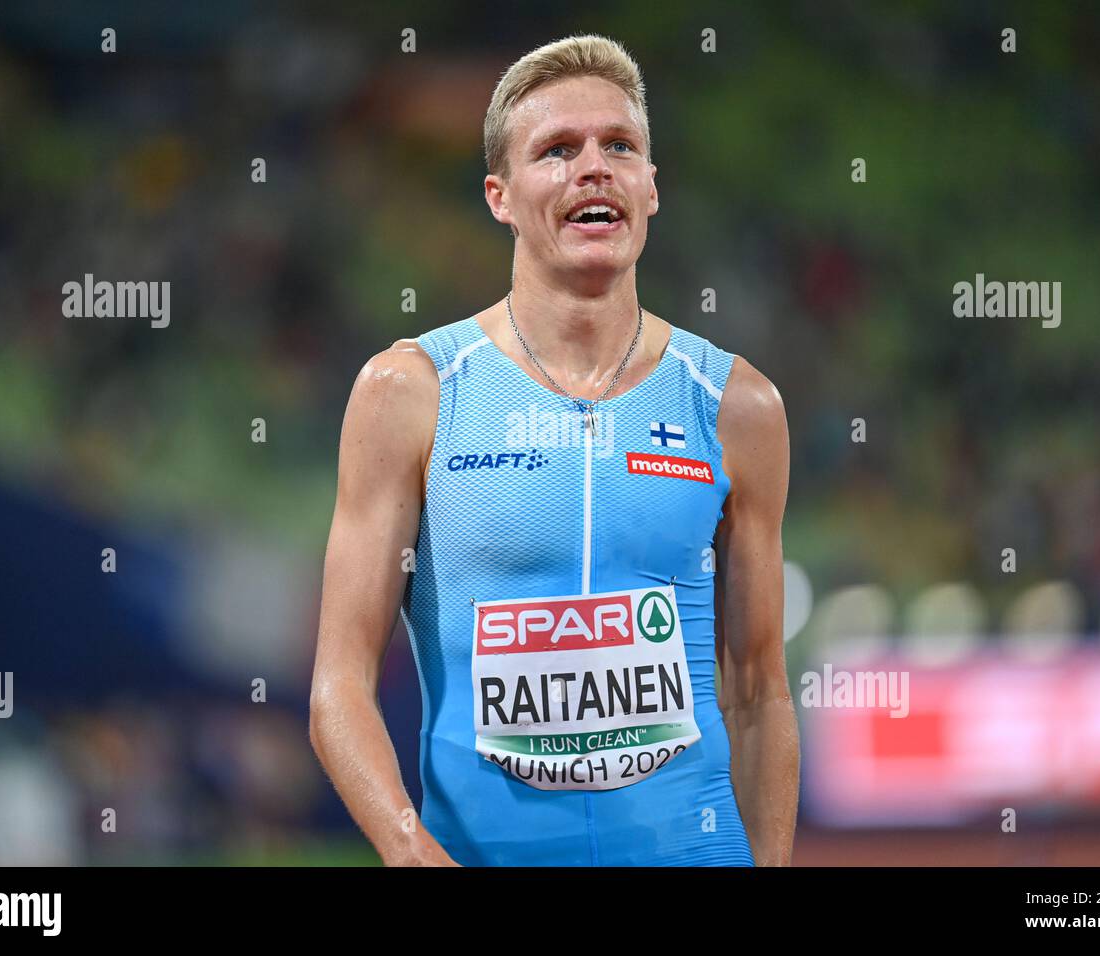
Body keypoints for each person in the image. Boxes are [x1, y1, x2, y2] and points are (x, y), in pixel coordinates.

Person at [310, 34, 798, 866]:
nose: (594, 167)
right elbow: (338, 685)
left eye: (620, 146)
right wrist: (408, 849)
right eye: (557, 150)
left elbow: (758, 693)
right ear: (500, 196)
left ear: (651, 188)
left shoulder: (736, 405)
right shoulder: (410, 392)